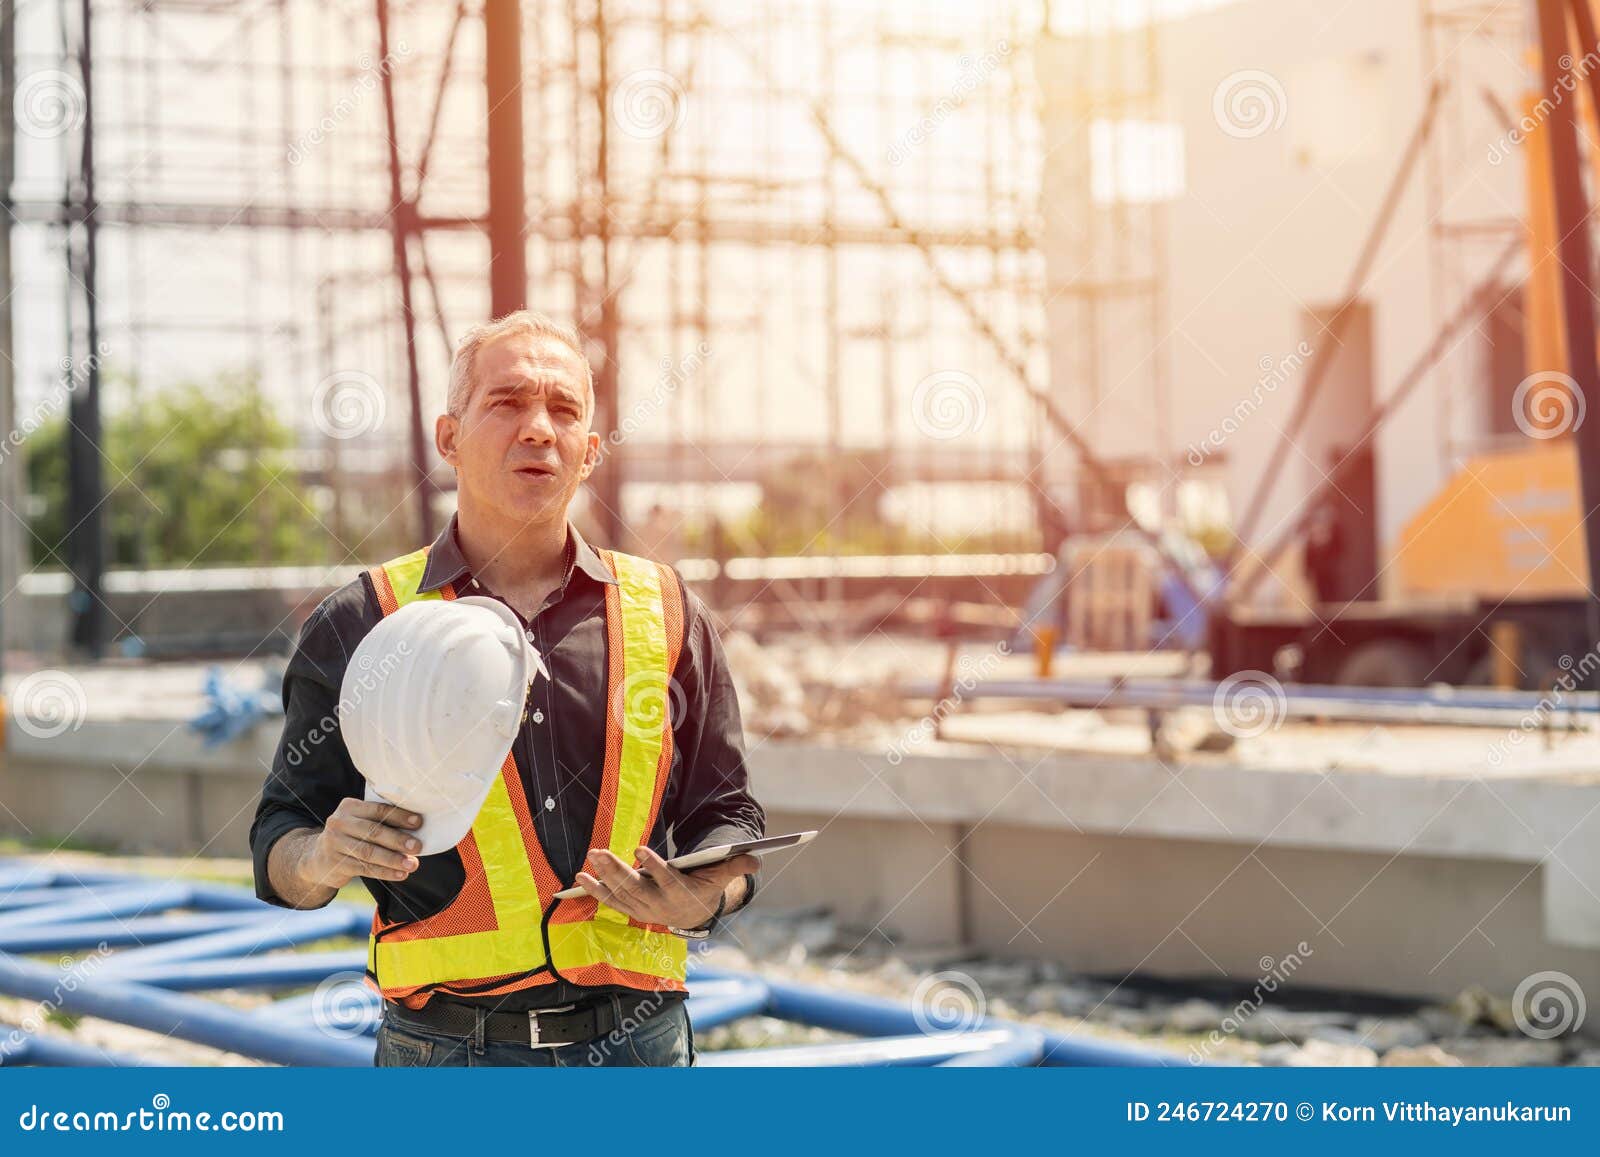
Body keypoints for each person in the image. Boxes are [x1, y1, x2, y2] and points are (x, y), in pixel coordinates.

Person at [250, 310, 766, 1067]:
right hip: (450, 1056)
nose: (537, 428)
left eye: (563, 409)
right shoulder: (365, 622)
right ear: (449, 436)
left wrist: (708, 894)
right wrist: (324, 856)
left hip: (641, 1046)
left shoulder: (668, 612)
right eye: (507, 402)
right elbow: (277, 843)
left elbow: (730, 815)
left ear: (589, 452)